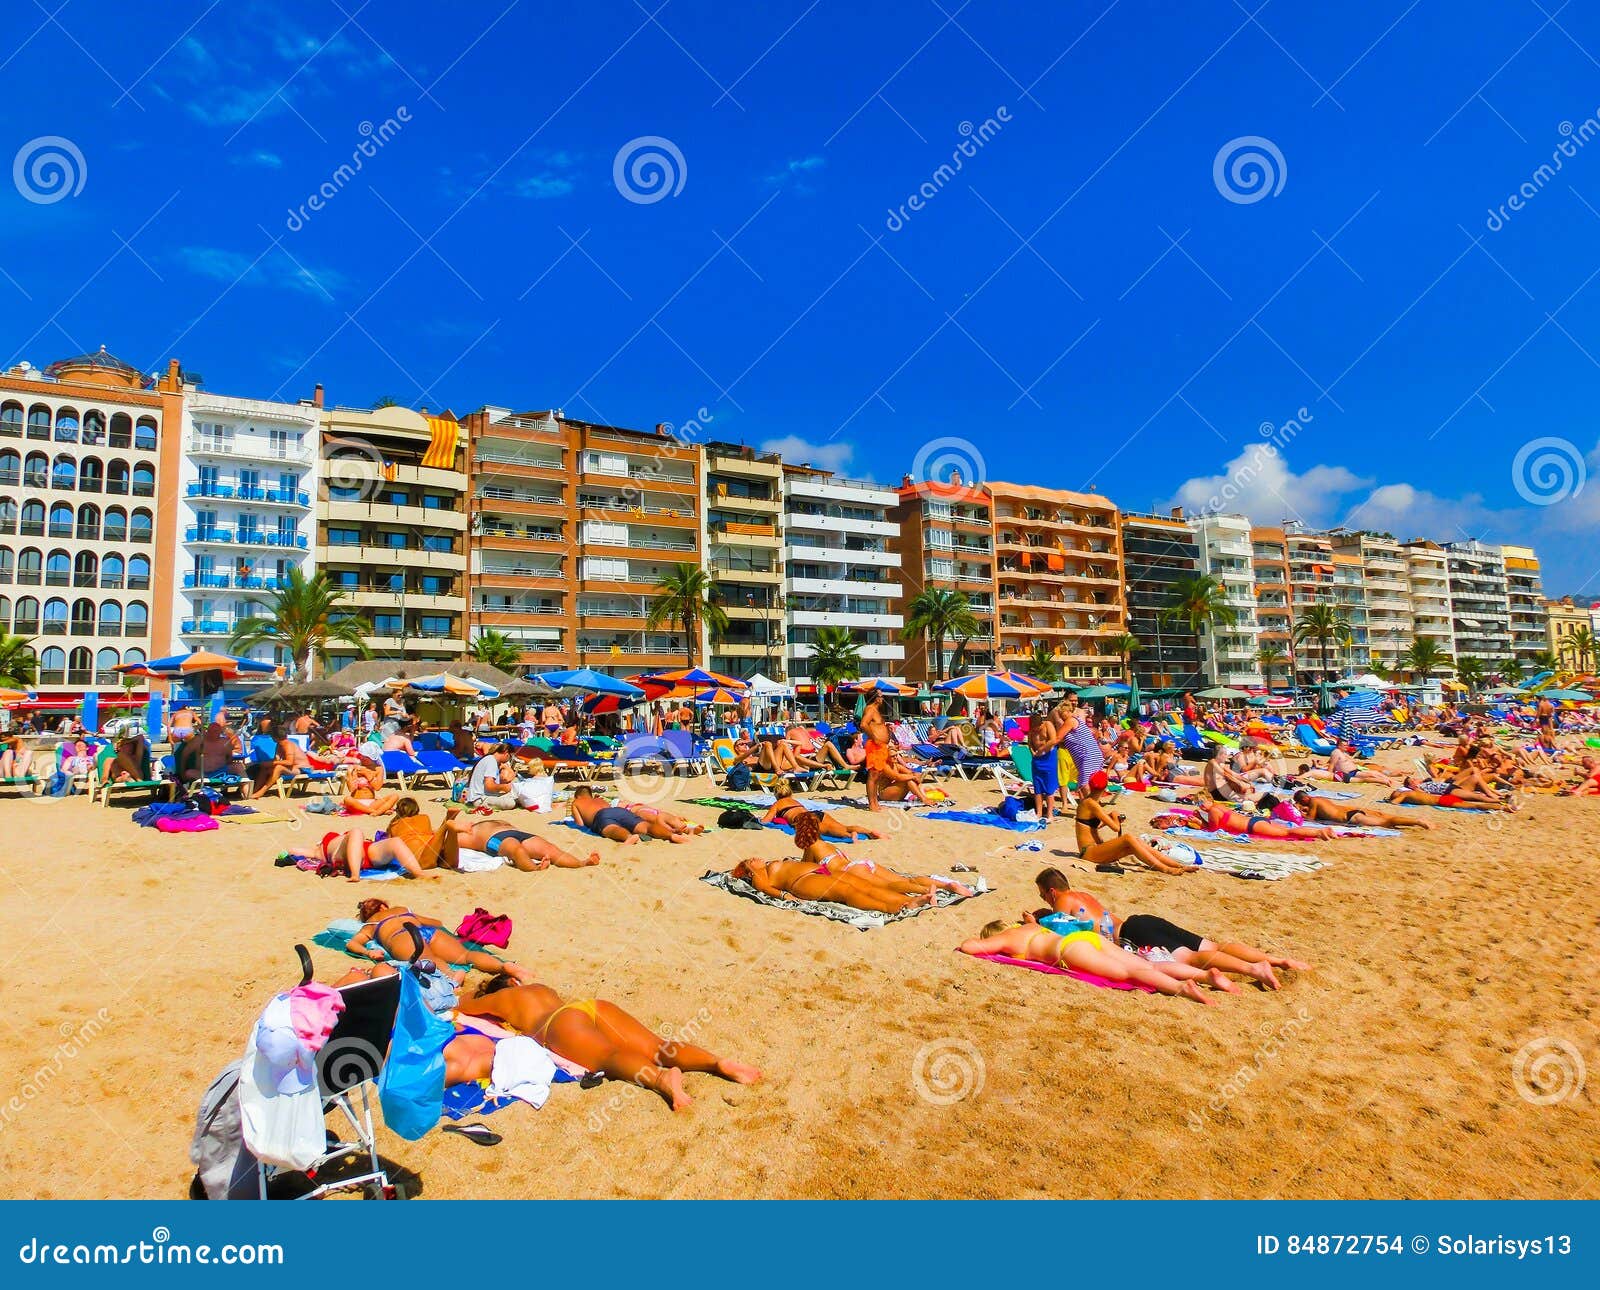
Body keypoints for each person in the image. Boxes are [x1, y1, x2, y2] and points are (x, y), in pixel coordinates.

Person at [457, 975, 760, 1110]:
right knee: (658, 1046)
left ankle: (660, 1077)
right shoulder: (537, 987)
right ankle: (716, 1063)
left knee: (608, 1056)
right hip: (589, 1006)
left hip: (557, 1025)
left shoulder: (502, 998)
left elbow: (467, 1005)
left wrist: (477, 992)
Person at [1034, 869, 1309, 988]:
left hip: (1131, 935)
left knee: (1189, 958)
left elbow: (1061, 934)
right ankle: (1277, 960)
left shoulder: (1063, 900)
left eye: (1043, 896)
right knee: (1212, 945)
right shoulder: (1084, 896)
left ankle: (1253, 969)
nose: (1045, 901)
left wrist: (1036, 922)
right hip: (1142, 920)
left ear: (1052, 891)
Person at [958, 920, 1214, 1004]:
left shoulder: (1007, 939)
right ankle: (1206, 976)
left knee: (1128, 973)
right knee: (1146, 964)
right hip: (1084, 937)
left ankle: (1182, 988)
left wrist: (981, 941)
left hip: (1068, 950)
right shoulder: (1028, 926)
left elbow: (970, 948)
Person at [790, 811, 972, 897]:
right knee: (905, 880)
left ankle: (926, 891)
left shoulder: (812, 846)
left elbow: (805, 869)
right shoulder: (827, 844)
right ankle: (946, 884)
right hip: (863, 864)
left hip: (852, 871)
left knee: (889, 886)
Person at [347, 900, 533, 983]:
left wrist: (368, 952)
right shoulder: (402, 909)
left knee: (429, 959)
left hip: (401, 936)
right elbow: (437, 923)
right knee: (467, 955)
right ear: (383, 906)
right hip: (426, 930)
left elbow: (352, 944)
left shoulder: (371, 924)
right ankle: (505, 967)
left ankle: (452, 977)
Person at [1075, 770, 1196, 873]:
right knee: (1127, 838)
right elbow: (1115, 828)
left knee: (1136, 842)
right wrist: (1115, 816)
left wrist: (1111, 816)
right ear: (1105, 787)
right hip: (1089, 853)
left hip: (1096, 850)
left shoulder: (1089, 802)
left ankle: (1177, 865)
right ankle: (1165, 869)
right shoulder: (1091, 804)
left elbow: (1093, 827)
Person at [730, 856, 933, 914]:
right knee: (847, 891)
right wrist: (783, 896)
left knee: (866, 885)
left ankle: (910, 900)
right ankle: (893, 907)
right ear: (748, 869)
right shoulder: (758, 873)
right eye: (750, 860)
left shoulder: (767, 865)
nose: (755, 858)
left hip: (819, 872)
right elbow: (764, 889)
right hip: (804, 882)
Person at [287, 825, 433, 882]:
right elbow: (292, 851)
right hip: (342, 856)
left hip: (366, 851)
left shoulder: (327, 841)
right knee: (356, 831)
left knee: (395, 842)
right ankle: (355, 874)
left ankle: (418, 872)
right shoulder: (316, 851)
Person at [761, 778, 883, 840]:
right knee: (843, 826)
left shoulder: (777, 804)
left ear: (776, 795)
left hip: (803, 819)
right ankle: (868, 832)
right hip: (815, 813)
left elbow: (766, 821)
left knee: (828, 830)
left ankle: (849, 836)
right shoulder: (795, 801)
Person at [569, 785, 689, 843]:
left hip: (601, 816)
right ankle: (671, 836)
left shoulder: (576, 802)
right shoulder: (600, 799)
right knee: (646, 827)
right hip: (620, 811)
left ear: (577, 796)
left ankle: (629, 837)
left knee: (612, 829)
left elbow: (580, 824)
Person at [1187, 793, 1336, 839]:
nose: (1201, 806)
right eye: (1198, 804)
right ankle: (1326, 831)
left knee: (1287, 832)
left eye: (1202, 802)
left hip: (1252, 826)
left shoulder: (1213, 811)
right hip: (1255, 821)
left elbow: (1213, 830)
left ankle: (1319, 832)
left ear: (1209, 800)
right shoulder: (1219, 807)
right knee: (1286, 829)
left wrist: (1199, 823)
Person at [1289, 789, 1431, 830]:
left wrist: (1301, 812)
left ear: (1304, 800)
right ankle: (1416, 821)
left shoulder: (1313, 801)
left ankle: (1417, 821)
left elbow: (1311, 819)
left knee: (1386, 823)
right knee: (1385, 819)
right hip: (1351, 813)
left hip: (1352, 818)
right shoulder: (1319, 798)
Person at [1386, 776, 1518, 812]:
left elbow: (1393, 804)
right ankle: (1502, 803)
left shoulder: (1405, 794)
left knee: (1474, 805)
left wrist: (1389, 801)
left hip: (1442, 800)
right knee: (1475, 803)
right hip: (1442, 797)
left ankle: (1503, 806)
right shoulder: (1409, 793)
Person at [1026, 704, 1062, 821]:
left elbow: (1053, 740)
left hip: (1049, 757)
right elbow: (1030, 744)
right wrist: (1033, 753)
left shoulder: (1048, 725)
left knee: (1049, 787)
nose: (1036, 730)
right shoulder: (1032, 730)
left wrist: (1042, 749)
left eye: (1037, 728)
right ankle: (1039, 813)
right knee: (1038, 787)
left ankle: (1050, 814)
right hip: (1037, 759)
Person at [860, 690, 893, 811]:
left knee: (877, 775)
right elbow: (863, 724)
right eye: (880, 696)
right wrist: (874, 738)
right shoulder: (870, 709)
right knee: (873, 775)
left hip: (881, 747)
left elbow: (875, 726)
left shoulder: (876, 711)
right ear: (875, 698)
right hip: (875, 746)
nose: (882, 698)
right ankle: (872, 804)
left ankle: (875, 802)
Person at [465, 743, 518, 810]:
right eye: (510, 757)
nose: (509, 760)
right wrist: (504, 787)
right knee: (510, 802)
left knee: (516, 796)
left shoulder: (490, 759)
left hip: (484, 796)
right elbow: (489, 786)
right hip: (480, 799)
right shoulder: (491, 761)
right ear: (506, 753)